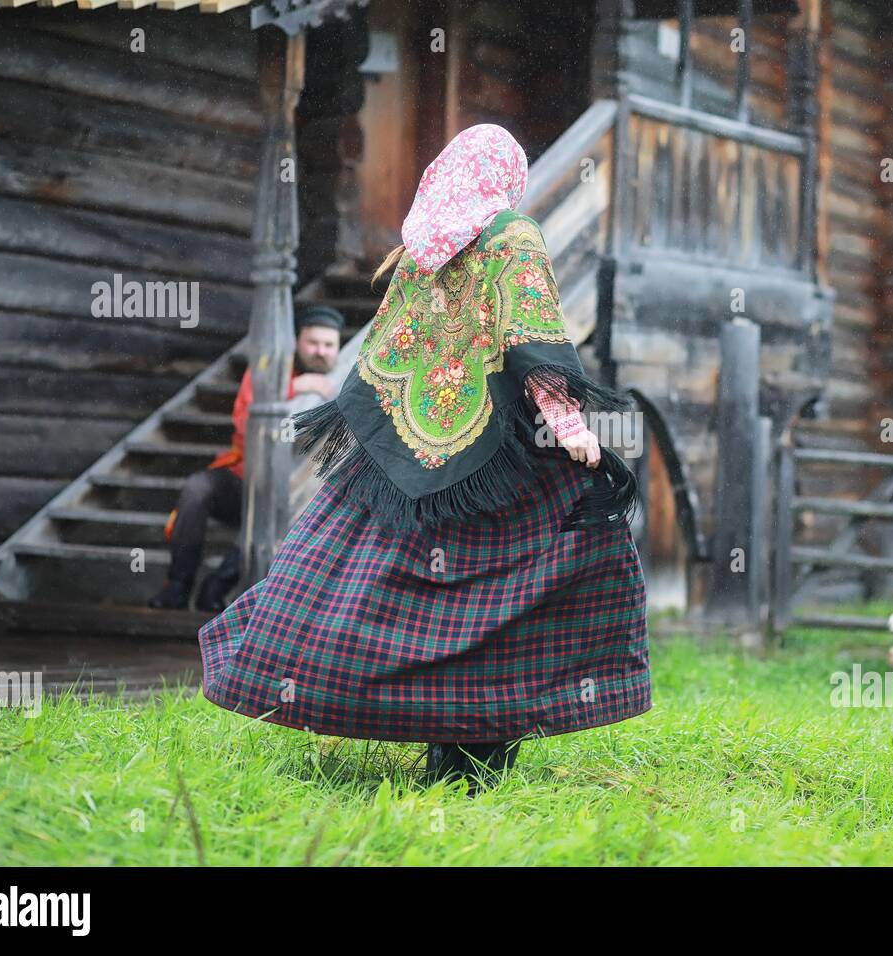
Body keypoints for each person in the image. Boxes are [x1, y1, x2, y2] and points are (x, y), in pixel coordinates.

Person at [197, 123, 652, 795]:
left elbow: (389, 349)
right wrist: (569, 425)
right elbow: (530, 337)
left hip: (409, 455)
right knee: (520, 593)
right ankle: (473, 757)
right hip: (504, 461)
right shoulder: (511, 235)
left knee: (387, 600)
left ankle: (438, 743)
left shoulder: (423, 245)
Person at [148, 304, 344, 612]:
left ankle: (219, 584)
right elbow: (245, 421)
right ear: (297, 342)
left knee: (284, 507)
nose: (320, 351)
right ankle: (177, 585)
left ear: (338, 348)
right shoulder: (269, 369)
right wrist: (294, 387)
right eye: (313, 342)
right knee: (197, 489)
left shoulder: (344, 377)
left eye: (328, 345)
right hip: (244, 476)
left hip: (294, 491)